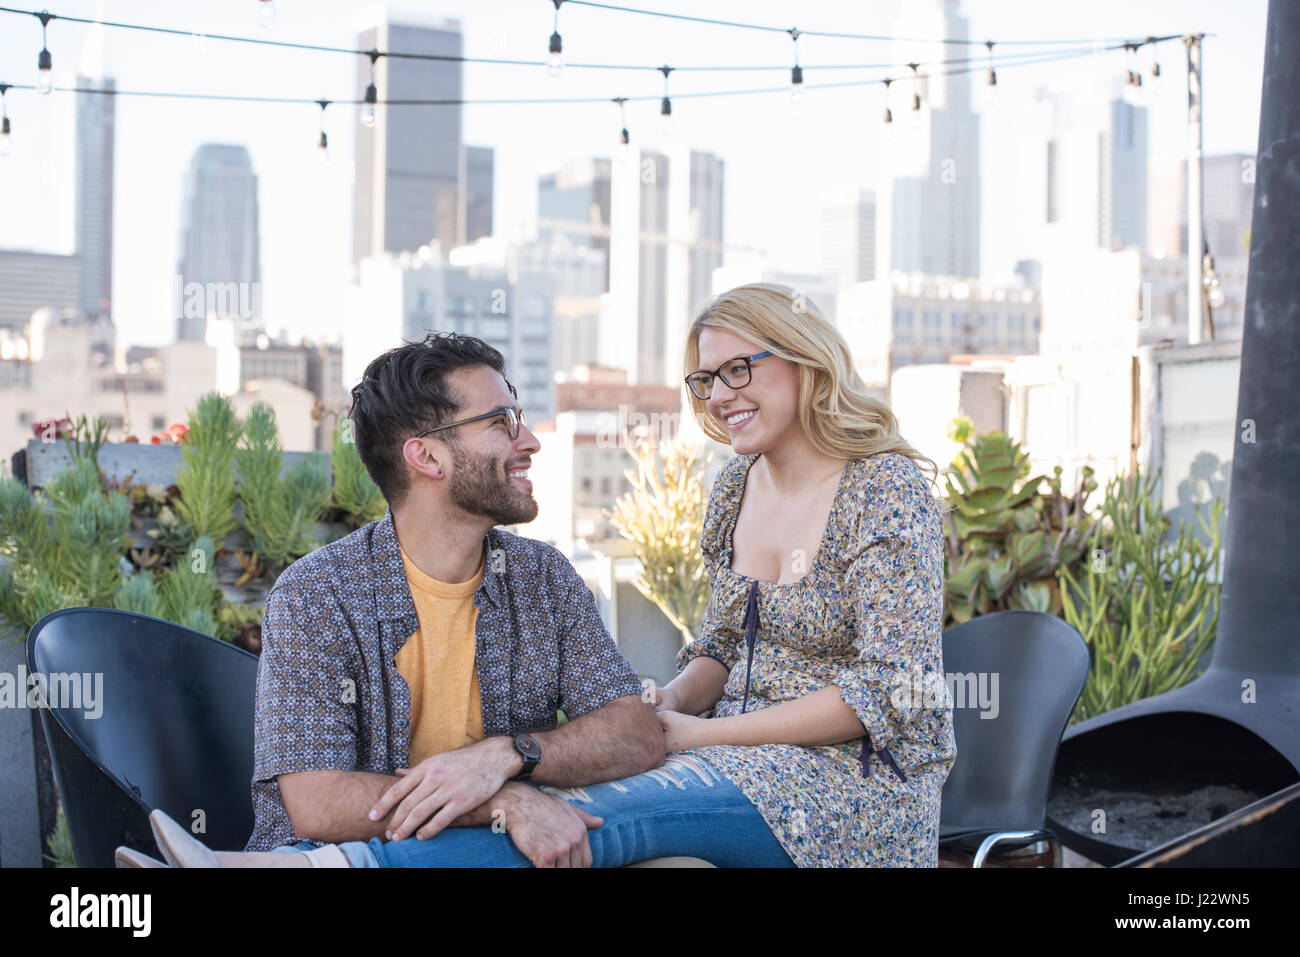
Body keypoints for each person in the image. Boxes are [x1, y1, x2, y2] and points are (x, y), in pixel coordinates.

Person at [126, 331, 789, 868]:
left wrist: (509, 757)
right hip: (342, 853)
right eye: (501, 422)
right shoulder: (317, 595)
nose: (528, 440)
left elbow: (633, 730)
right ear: (426, 457)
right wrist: (499, 802)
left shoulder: (545, 578)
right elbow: (319, 801)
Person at [650, 282, 957, 867]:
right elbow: (720, 647)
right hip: (729, 761)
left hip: (860, 785)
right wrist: (670, 700)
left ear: (803, 360)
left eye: (737, 369)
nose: (718, 395)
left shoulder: (883, 489)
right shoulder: (734, 487)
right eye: (706, 379)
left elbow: (891, 692)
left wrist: (698, 736)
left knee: (600, 821)